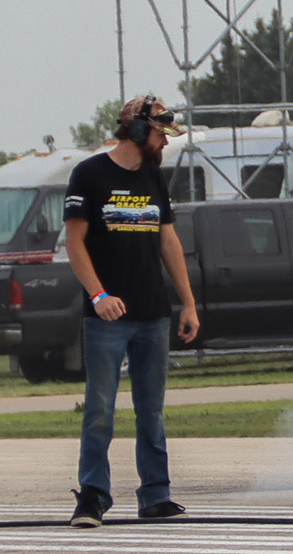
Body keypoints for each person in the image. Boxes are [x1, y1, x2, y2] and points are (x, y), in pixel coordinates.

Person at [64, 96, 201, 527]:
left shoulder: (154, 176)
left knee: (151, 410)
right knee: (100, 409)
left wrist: (188, 302)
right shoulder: (89, 174)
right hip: (106, 318)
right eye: (161, 134)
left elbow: (168, 241)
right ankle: (93, 496)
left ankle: (156, 495)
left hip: (152, 313)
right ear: (139, 131)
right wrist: (98, 295)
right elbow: (74, 242)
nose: (165, 143)